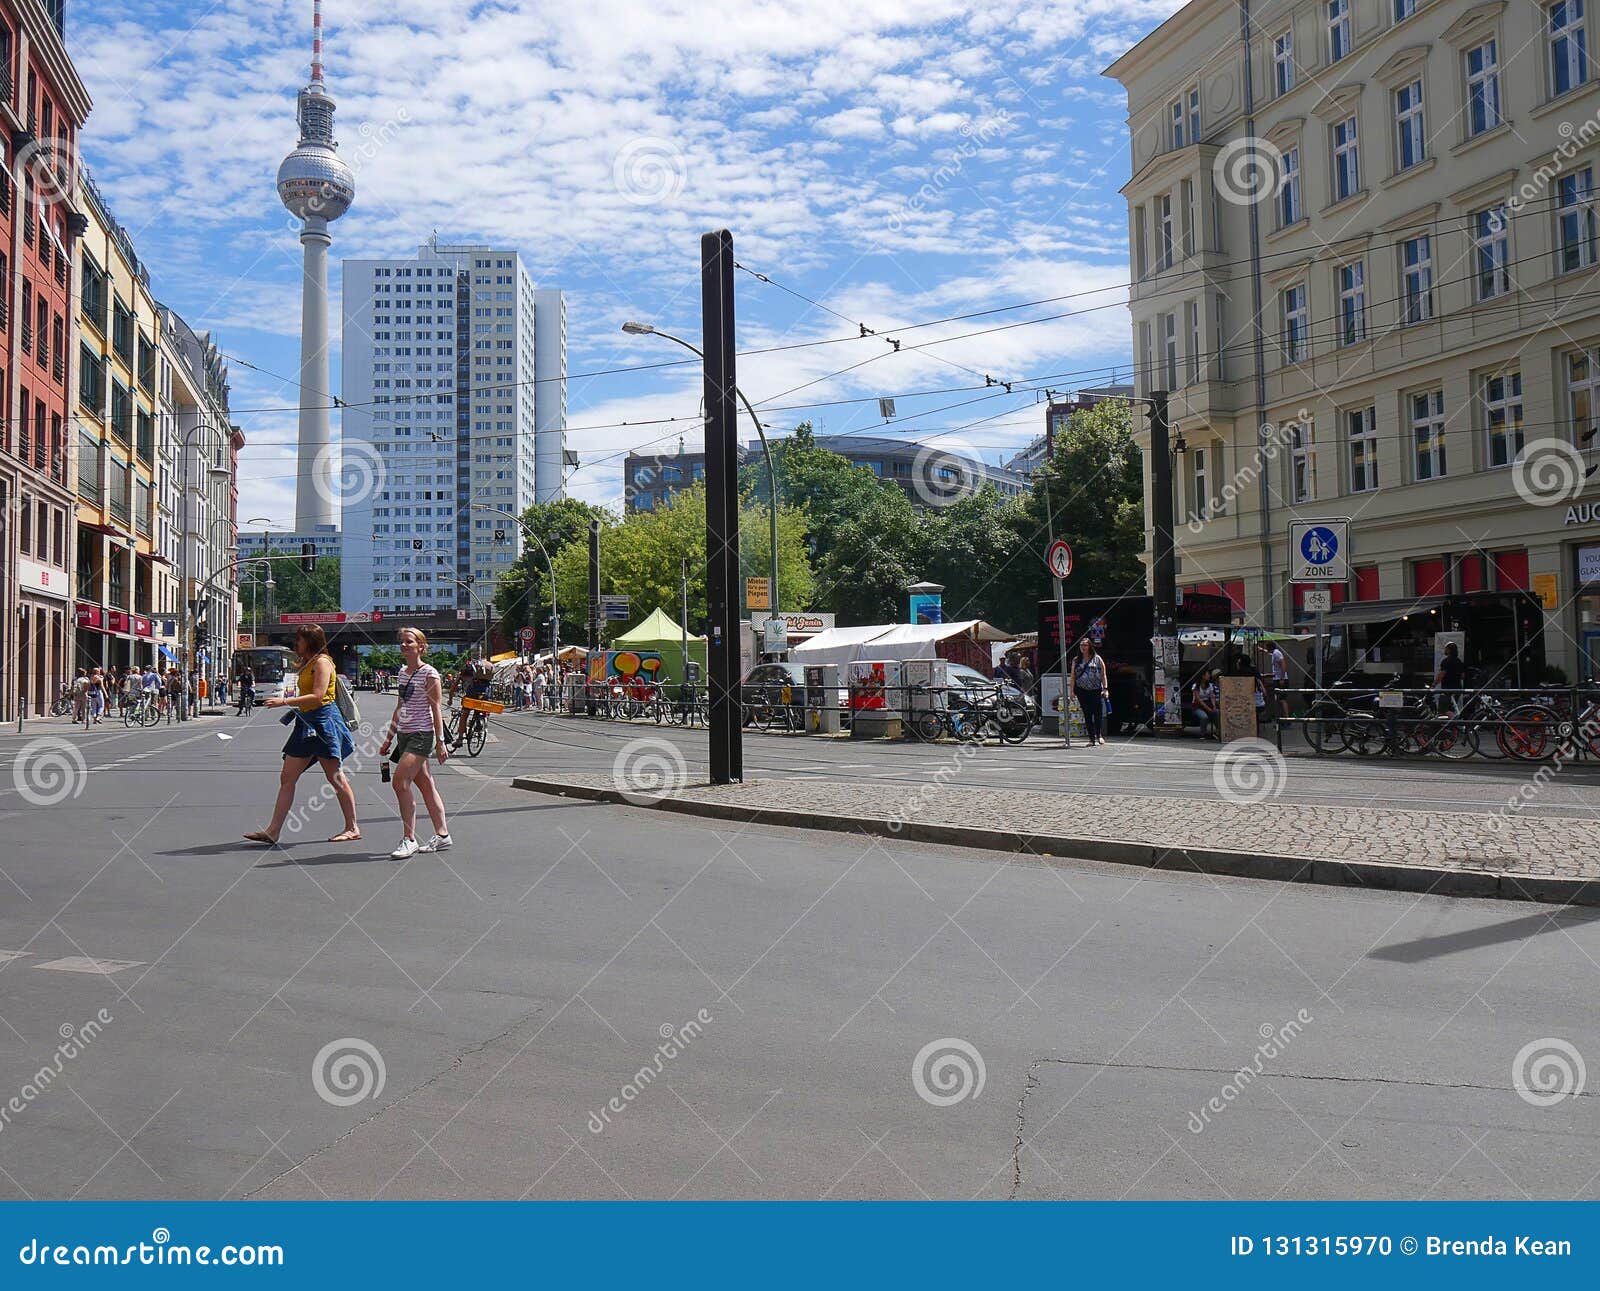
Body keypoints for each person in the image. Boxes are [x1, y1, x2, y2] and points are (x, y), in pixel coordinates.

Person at [244, 625, 360, 845]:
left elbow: (318, 696)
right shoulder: (308, 663)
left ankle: (352, 827)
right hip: (306, 723)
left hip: (324, 723)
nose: (295, 643)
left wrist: (284, 701)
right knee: (287, 776)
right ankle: (273, 831)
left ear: (310, 640)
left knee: (335, 777)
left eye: (299, 639)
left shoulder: (322, 662)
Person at [378, 627, 451, 859]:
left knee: (400, 782)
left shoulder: (430, 673)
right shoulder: (402, 673)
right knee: (427, 785)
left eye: (409, 642)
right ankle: (442, 835)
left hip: (422, 734)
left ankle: (409, 838)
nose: (404, 645)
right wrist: (389, 737)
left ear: (421, 646)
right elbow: (400, 707)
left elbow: (436, 708)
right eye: (402, 642)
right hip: (405, 735)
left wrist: (440, 742)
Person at [1072, 637, 1109, 746]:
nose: (1083, 647)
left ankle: (1099, 735)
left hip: (1095, 690)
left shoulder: (1097, 659)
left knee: (1097, 714)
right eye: (1081, 645)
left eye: (1085, 645)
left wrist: (1105, 689)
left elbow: (1103, 675)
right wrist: (1072, 692)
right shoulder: (1076, 660)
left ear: (1090, 646)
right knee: (1087, 714)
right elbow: (1073, 677)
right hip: (1081, 690)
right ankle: (1091, 739)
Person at [452, 655, 492, 748]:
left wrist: (450, 699)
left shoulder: (465, 671)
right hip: (485, 695)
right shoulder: (483, 673)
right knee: (478, 709)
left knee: (464, 715)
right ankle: (478, 722)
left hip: (472, 695)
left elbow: (453, 687)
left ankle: (460, 739)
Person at [1436, 641, 1466, 712]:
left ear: (1449, 650)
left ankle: (1453, 721)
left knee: (1442, 710)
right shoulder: (1459, 661)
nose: (1444, 650)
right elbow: (1462, 676)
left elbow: (1441, 675)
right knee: (1450, 709)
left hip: (1447, 689)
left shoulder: (1446, 661)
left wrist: (1433, 685)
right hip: (1457, 689)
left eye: (1446, 649)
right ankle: (1453, 720)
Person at [1269, 642, 1290, 719]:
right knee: (1279, 700)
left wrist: (1282, 678)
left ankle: (1286, 719)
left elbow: (1283, 665)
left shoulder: (1276, 653)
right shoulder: (1274, 653)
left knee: (1282, 700)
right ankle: (1282, 719)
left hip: (1280, 679)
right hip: (1277, 678)